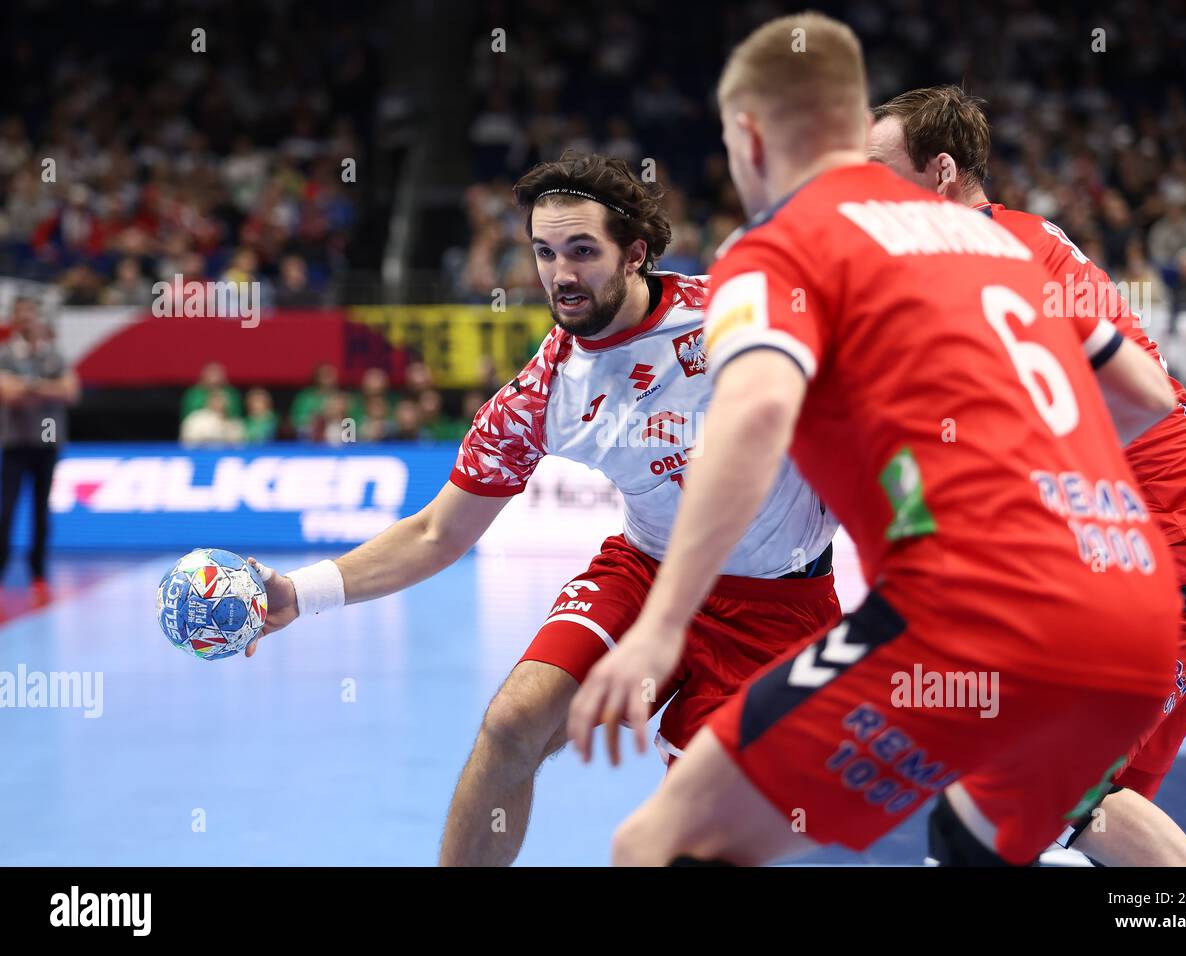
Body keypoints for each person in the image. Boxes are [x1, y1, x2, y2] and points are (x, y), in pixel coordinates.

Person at [568, 12, 1182, 867]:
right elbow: (1146, 394)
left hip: (979, 613)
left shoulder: (777, 247)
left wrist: (661, 625)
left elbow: (751, 418)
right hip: (1137, 606)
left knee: (660, 843)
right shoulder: (990, 234)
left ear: (747, 134)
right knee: (970, 842)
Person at [240, 152, 840, 866]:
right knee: (512, 723)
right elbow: (436, 534)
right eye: (544, 252)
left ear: (635, 254)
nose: (560, 273)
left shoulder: (737, 318)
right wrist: (296, 595)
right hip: (647, 575)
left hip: (780, 607)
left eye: (583, 251)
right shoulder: (543, 393)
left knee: (707, 832)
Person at [866, 84, 1186, 866]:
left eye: (877, 170)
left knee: (1051, 785)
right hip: (1177, 549)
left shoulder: (986, 260)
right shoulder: (1013, 243)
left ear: (943, 172)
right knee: (1093, 804)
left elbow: (1138, 399)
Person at [0, 301, 80, 594]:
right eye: (21, 315)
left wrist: (30, 387)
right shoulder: (7, 354)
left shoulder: (52, 355)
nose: (27, 320)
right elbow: (8, 394)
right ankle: (3, 565)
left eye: (31, 315)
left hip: (46, 438)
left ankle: (38, 569)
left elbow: (70, 391)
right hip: (15, 441)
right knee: (7, 509)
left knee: (41, 509)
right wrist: (48, 388)